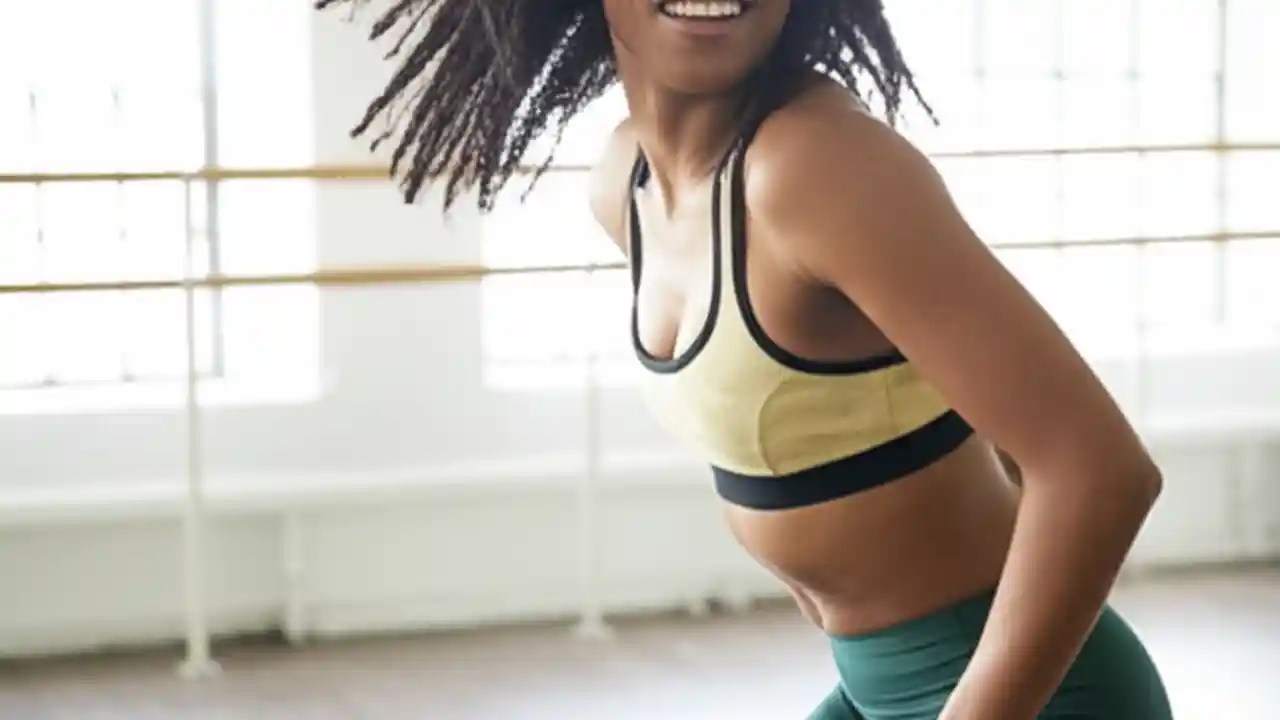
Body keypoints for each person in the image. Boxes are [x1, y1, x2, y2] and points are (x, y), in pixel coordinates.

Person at [322, 1, 1173, 717]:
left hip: (1031, 693)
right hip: (875, 687)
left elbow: (1097, 468)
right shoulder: (624, 184)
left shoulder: (819, 166)